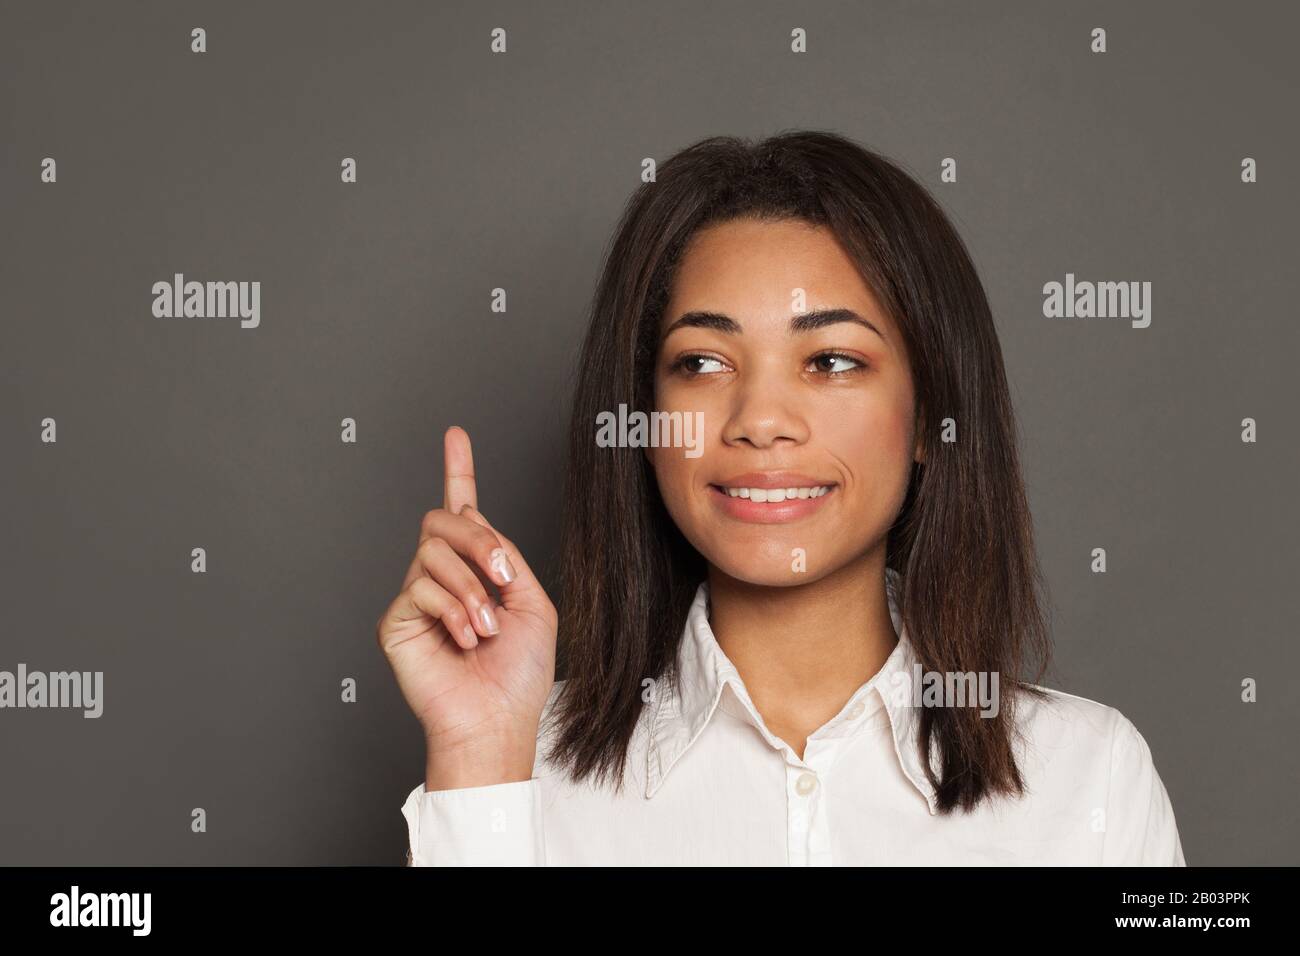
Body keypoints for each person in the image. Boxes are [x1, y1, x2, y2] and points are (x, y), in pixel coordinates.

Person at [376, 131, 1186, 865]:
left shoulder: (1092, 780)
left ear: (929, 420)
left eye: (831, 361)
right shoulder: (513, 767)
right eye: (701, 362)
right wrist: (479, 759)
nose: (760, 421)